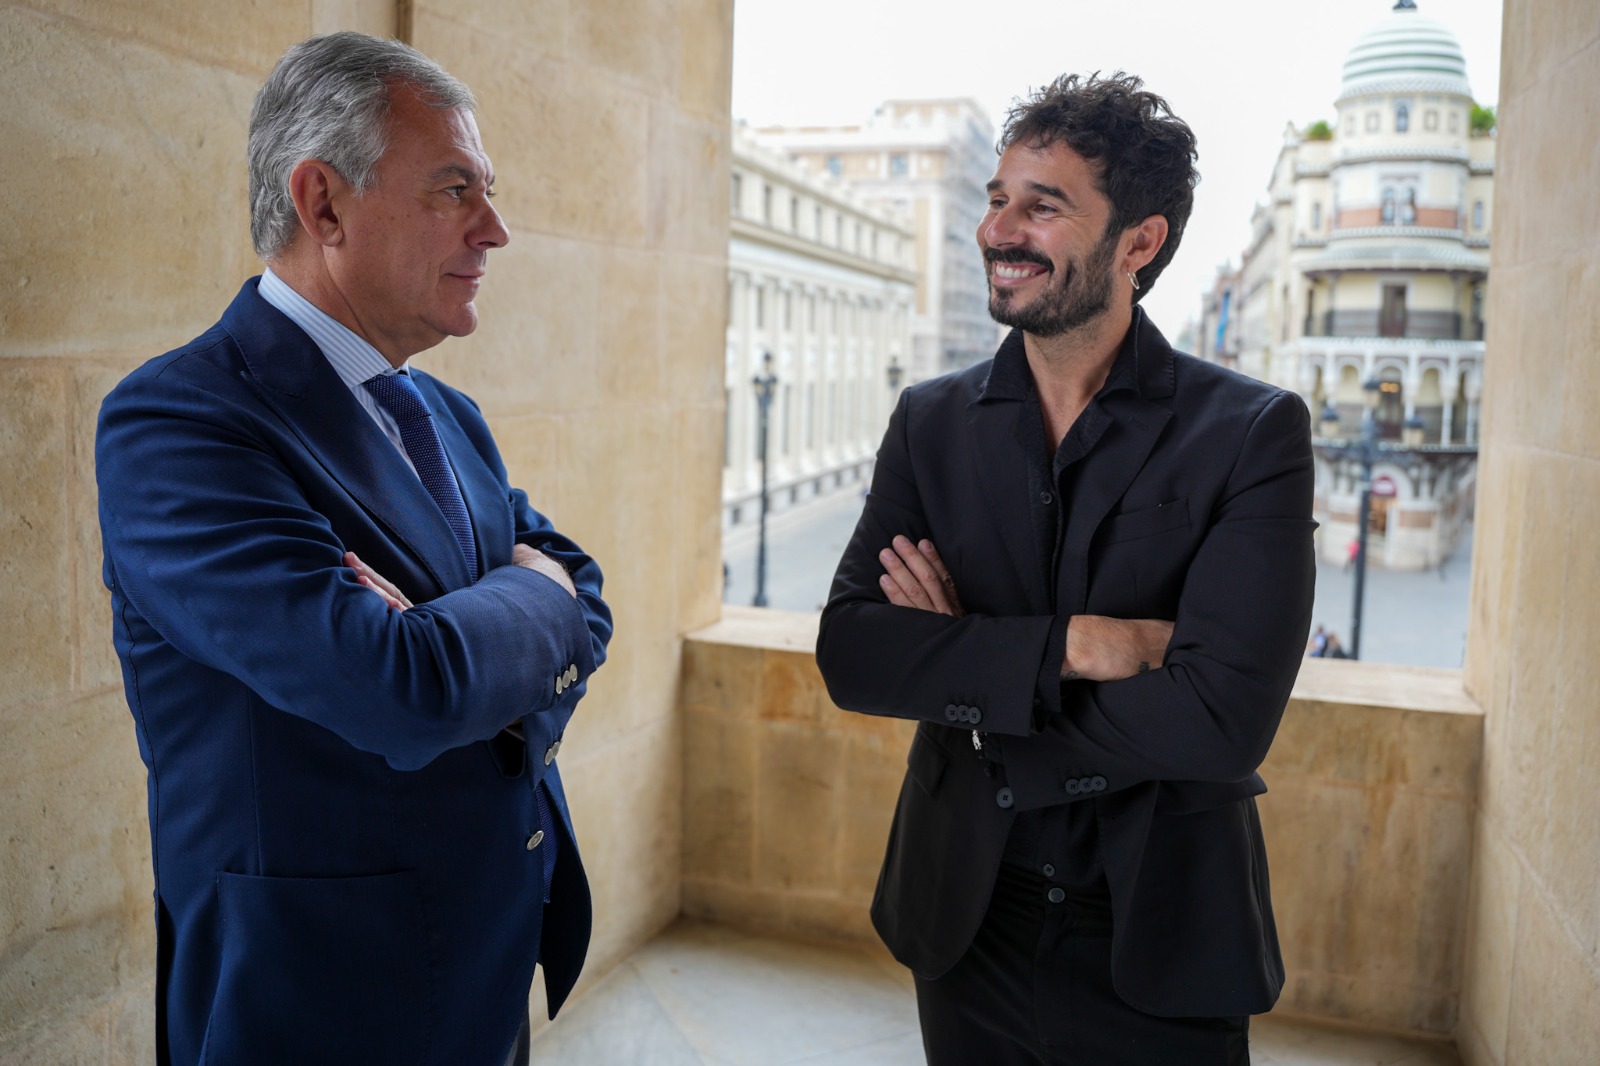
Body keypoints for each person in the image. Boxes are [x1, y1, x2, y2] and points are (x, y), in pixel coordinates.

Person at [95, 33, 611, 1066]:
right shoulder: (182, 424)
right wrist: (501, 613)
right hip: (316, 998)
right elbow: (396, 689)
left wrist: (474, 627)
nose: (495, 230)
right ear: (322, 203)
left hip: (484, 956)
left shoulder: (446, 413)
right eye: (454, 188)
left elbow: (584, 592)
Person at [816, 72, 1315, 1065]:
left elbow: (1221, 720)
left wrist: (971, 681)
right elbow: (855, 653)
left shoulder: (1252, 432)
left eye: (1041, 207)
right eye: (997, 198)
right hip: (963, 914)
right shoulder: (929, 419)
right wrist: (1080, 645)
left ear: (1140, 240)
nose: (997, 230)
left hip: (1161, 929)